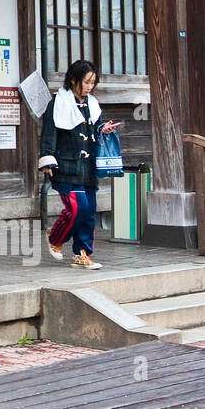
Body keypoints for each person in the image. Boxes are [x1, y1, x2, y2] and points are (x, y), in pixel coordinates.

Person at [37, 60, 122, 270]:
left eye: (93, 82)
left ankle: (81, 254)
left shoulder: (92, 103)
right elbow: (50, 131)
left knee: (90, 210)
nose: (89, 86)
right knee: (78, 207)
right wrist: (47, 158)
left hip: (88, 166)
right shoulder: (59, 101)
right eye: (86, 82)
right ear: (74, 79)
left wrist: (104, 128)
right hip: (66, 165)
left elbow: (95, 127)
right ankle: (55, 238)